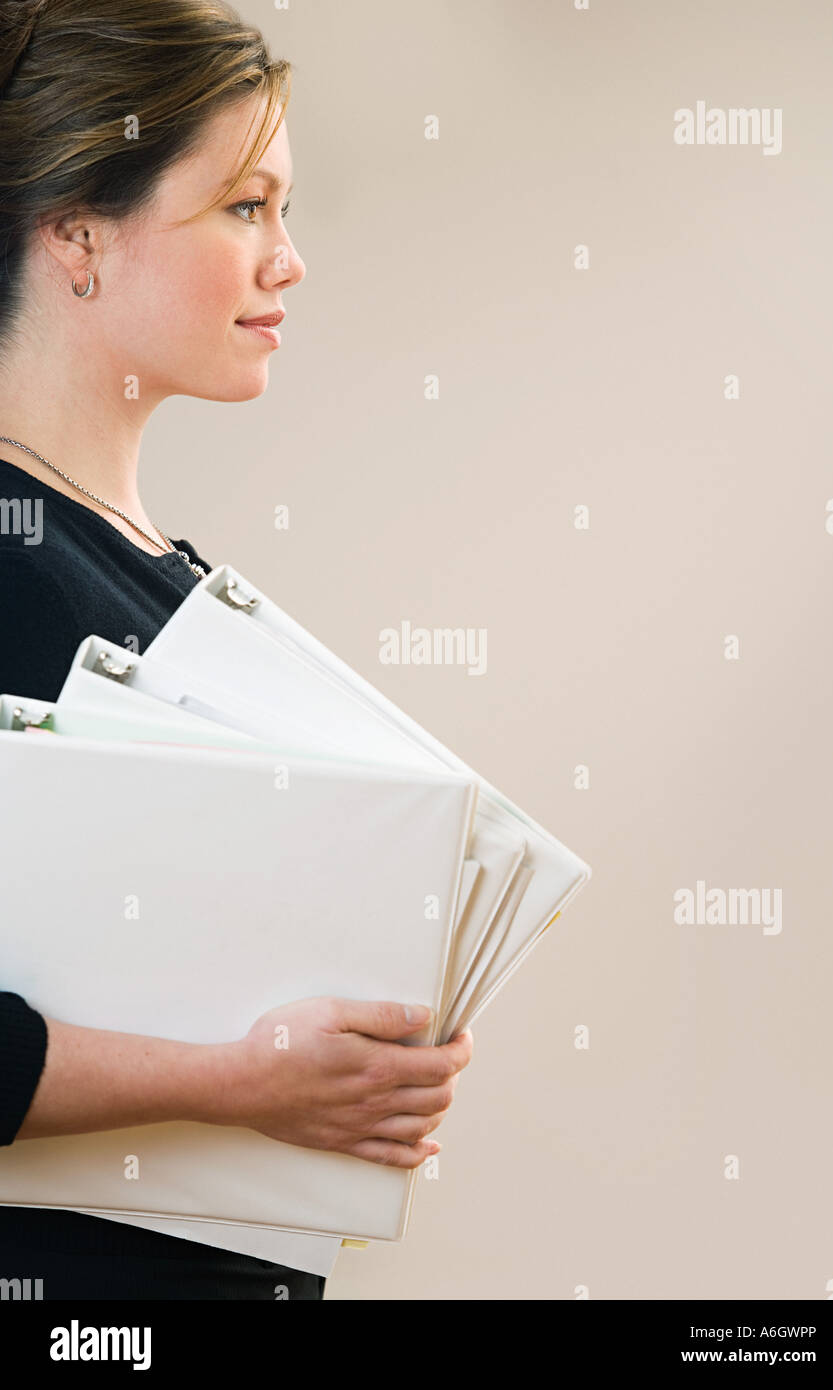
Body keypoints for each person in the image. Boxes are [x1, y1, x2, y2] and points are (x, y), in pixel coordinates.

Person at [0, 0, 473, 1300]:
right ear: (81, 235)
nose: (290, 259)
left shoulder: (166, 574)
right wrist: (247, 1079)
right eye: (244, 207)